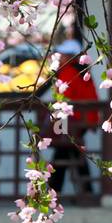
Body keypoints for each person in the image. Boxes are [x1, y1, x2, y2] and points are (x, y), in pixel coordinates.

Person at [47, 38, 100, 196]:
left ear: (70, 56)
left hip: (72, 120)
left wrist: (56, 123)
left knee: (63, 151)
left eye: (62, 55)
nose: (59, 57)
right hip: (84, 119)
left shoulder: (68, 71)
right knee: (70, 152)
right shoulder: (83, 71)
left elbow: (63, 99)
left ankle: (55, 192)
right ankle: (85, 191)